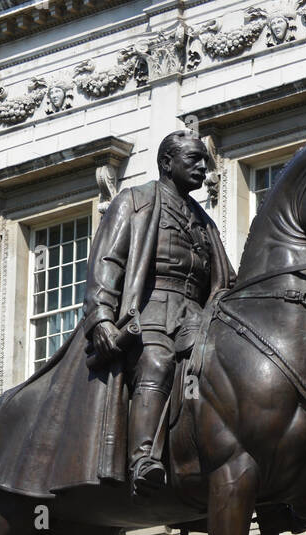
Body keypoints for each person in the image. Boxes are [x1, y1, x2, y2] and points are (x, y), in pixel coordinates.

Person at [83, 130, 234, 493]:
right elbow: (107, 260)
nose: (203, 167)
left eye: (204, 160)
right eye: (193, 159)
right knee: (157, 361)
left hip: (196, 315)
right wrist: (101, 316)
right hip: (150, 311)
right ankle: (143, 459)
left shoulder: (204, 221)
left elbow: (226, 278)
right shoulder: (135, 201)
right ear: (167, 163)